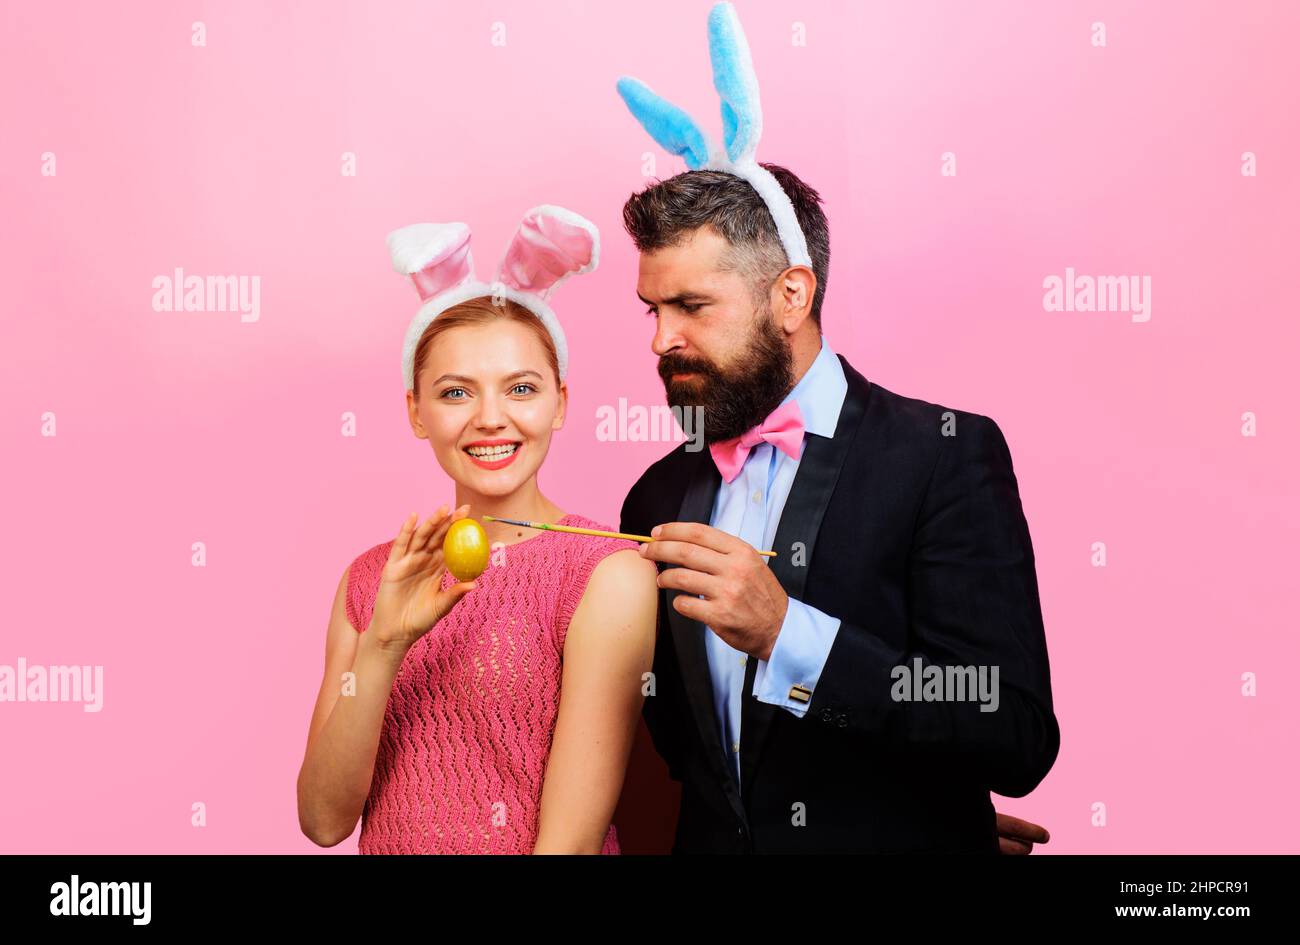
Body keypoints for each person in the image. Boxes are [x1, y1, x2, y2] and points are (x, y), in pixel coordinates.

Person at [614, 2, 1059, 853]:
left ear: (792, 293)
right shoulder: (659, 492)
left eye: (691, 305)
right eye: (652, 308)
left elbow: (1010, 721)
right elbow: (676, 747)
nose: (661, 336)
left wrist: (792, 635)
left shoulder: (945, 458)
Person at [296, 207, 659, 854]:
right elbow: (324, 820)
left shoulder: (606, 574)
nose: (491, 419)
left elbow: (568, 847)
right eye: (456, 393)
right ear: (416, 411)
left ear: (561, 402)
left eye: (521, 388)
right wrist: (384, 642)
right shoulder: (368, 580)